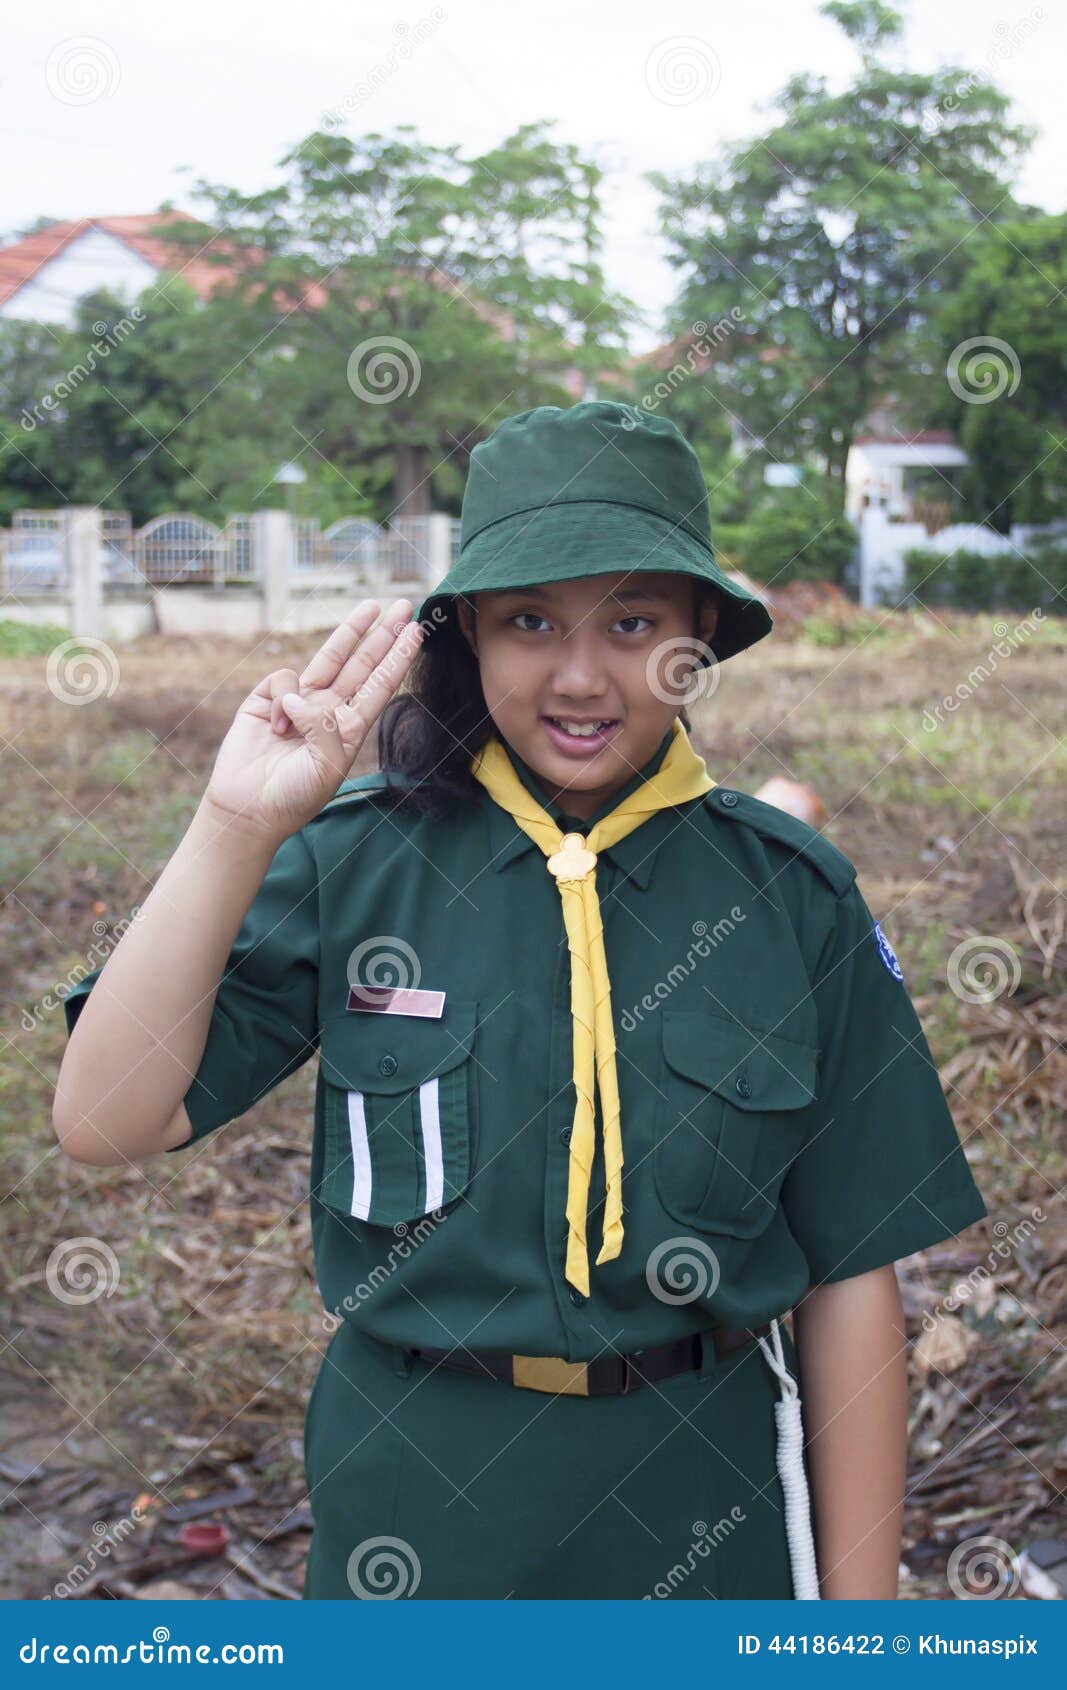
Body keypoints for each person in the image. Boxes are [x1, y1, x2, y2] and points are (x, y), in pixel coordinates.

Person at [54, 401, 988, 1601]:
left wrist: (859, 1631)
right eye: (529, 620)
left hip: (699, 1490)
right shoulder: (363, 861)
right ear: (468, 636)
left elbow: (850, 1274)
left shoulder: (787, 893)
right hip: (418, 1489)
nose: (581, 674)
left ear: (700, 632)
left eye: (634, 620)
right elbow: (103, 1118)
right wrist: (235, 827)